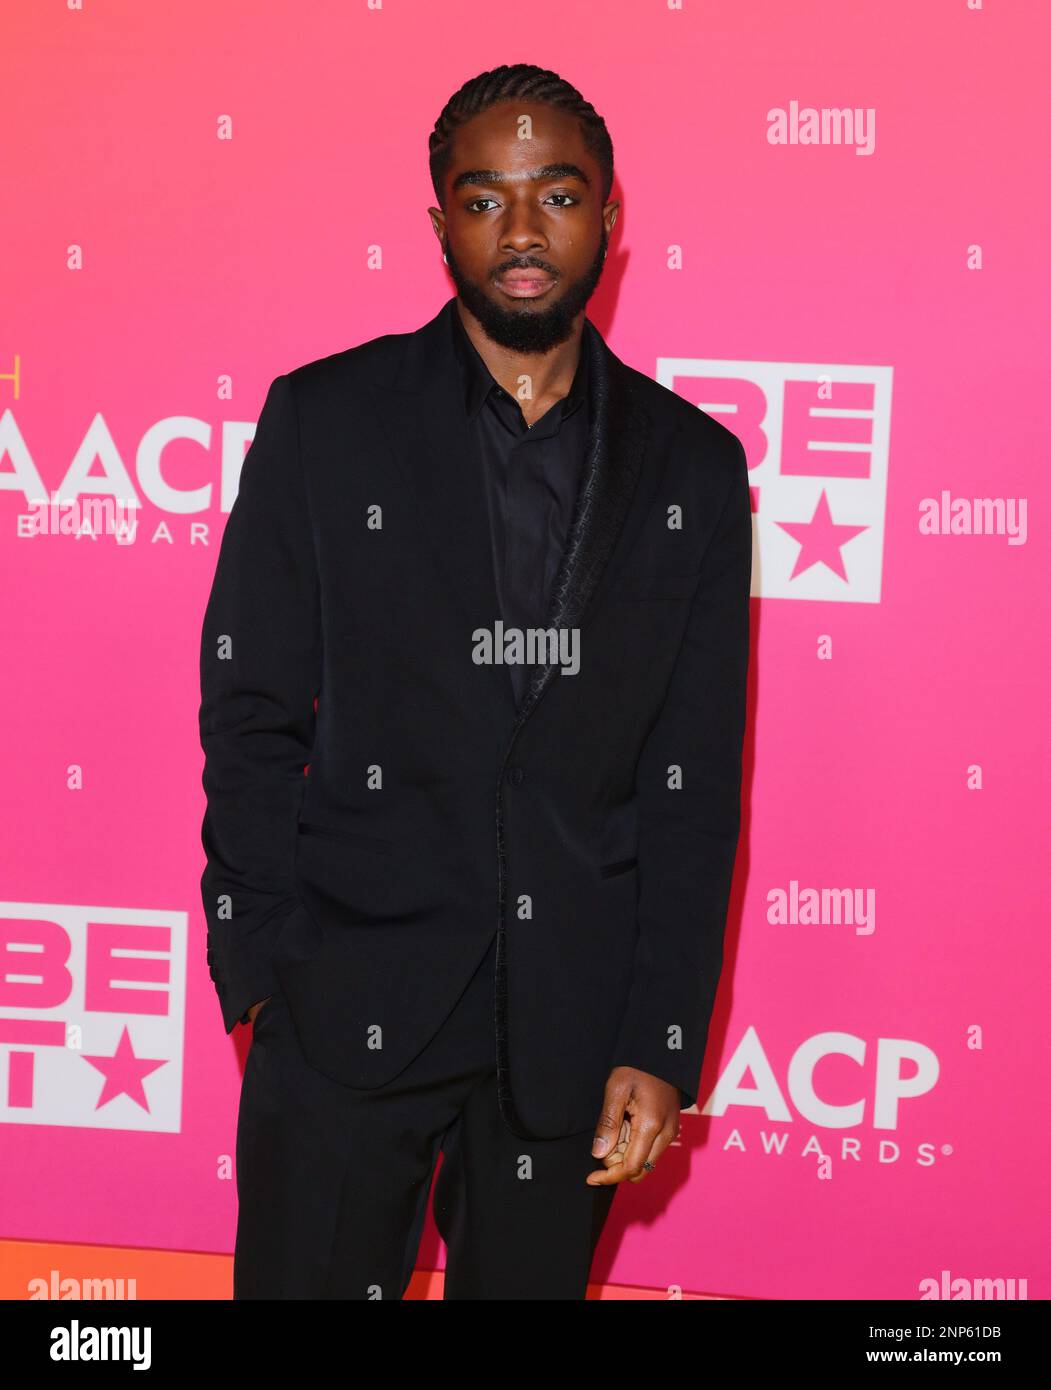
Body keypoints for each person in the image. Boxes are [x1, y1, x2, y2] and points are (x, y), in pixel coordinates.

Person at [198, 62, 751, 1300]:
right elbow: (249, 711)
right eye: (483, 198)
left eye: (556, 195)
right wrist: (259, 970)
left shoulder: (694, 470)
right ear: (438, 220)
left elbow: (694, 781)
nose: (520, 232)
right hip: (344, 1014)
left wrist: (659, 1037)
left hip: (567, 1037)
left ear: (610, 220)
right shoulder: (325, 421)